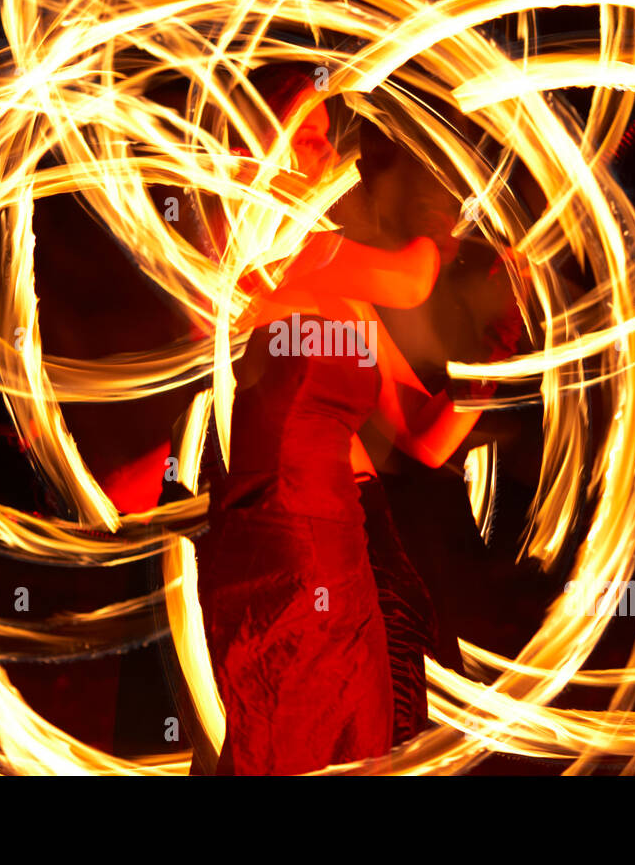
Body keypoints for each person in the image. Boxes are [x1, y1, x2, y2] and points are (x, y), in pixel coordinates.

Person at [194, 72, 494, 774]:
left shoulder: (340, 288)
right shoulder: (266, 259)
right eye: (303, 135)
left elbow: (422, 432)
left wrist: (496, 367)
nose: (323, 154)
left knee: (363, 725)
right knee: (313, 728)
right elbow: (413, 278)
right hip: (290, 542)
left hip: (353, 537)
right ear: (254, 146)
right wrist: (440, 227)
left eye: (327, 139)